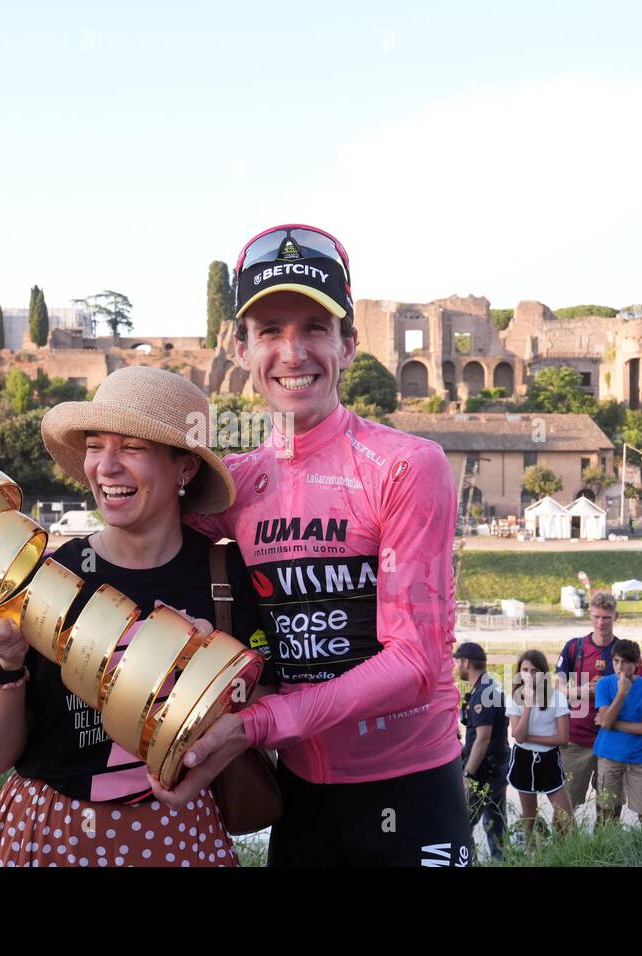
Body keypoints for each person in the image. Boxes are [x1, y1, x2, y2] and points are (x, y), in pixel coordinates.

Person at [159, 224, 472, 867]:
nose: (292, 352)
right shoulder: (236, 484)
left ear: (349, 343)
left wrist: (255, 724)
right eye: (270, 330)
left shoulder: (407, 466)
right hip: (300, 794)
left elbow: (416, 660)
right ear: (242, 348)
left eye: (314, 328)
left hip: (409, 787)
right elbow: (134, 539)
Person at [0, 365, 262, 866]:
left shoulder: (226, 577)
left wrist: (211, 683)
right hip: (52, 835)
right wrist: (5, 666)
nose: (106, 467)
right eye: (95, 445)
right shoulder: (49, 575)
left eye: (132, 447)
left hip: (178, 836)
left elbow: (265, 708)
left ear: (185, 468)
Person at [554, 591, 642, 811]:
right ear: (589, 615)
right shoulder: (574, 647)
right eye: (596, 616)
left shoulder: (626, 650)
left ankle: (604, 846)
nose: (601, 622)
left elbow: (641, 687)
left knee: (610, 807)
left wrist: (611, 691)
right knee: (565, 806)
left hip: (613, 738)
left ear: (616, 617)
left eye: (606, 617)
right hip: (576, 740)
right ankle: (564, 845)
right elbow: (557, 687)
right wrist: (582, 690)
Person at [505, 650, 572, 841]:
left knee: (566, 818)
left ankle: (566, 851)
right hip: (523, 759)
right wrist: (528, 705)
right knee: (529, 818)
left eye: (534, 671)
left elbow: (562, 739)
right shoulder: (514, 698)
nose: (529, 675)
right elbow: (517, 735)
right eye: (525, 670)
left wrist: (529, 737)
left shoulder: (556, 698)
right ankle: (529, 853)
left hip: (549, 759)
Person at [593, 639, 642, 825]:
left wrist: (612, 722)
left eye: (626, 662)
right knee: (608, 811)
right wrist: (621, 693)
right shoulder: (605, 684)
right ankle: (608, 848)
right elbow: (604, 721)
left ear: (636, 663)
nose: (620, 667)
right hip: (609, 755)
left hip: (638, 757)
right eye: (616, 661)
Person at [456, 641, 509, 859]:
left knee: (461, 827)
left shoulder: (483, 694)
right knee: (496, 827)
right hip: (495, 769)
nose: (457, 666)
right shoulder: (489, 688)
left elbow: (482, 739)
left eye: (458, 662)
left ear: (466, 663)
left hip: (483, 773)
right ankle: (502, 862)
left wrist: (467, 773)